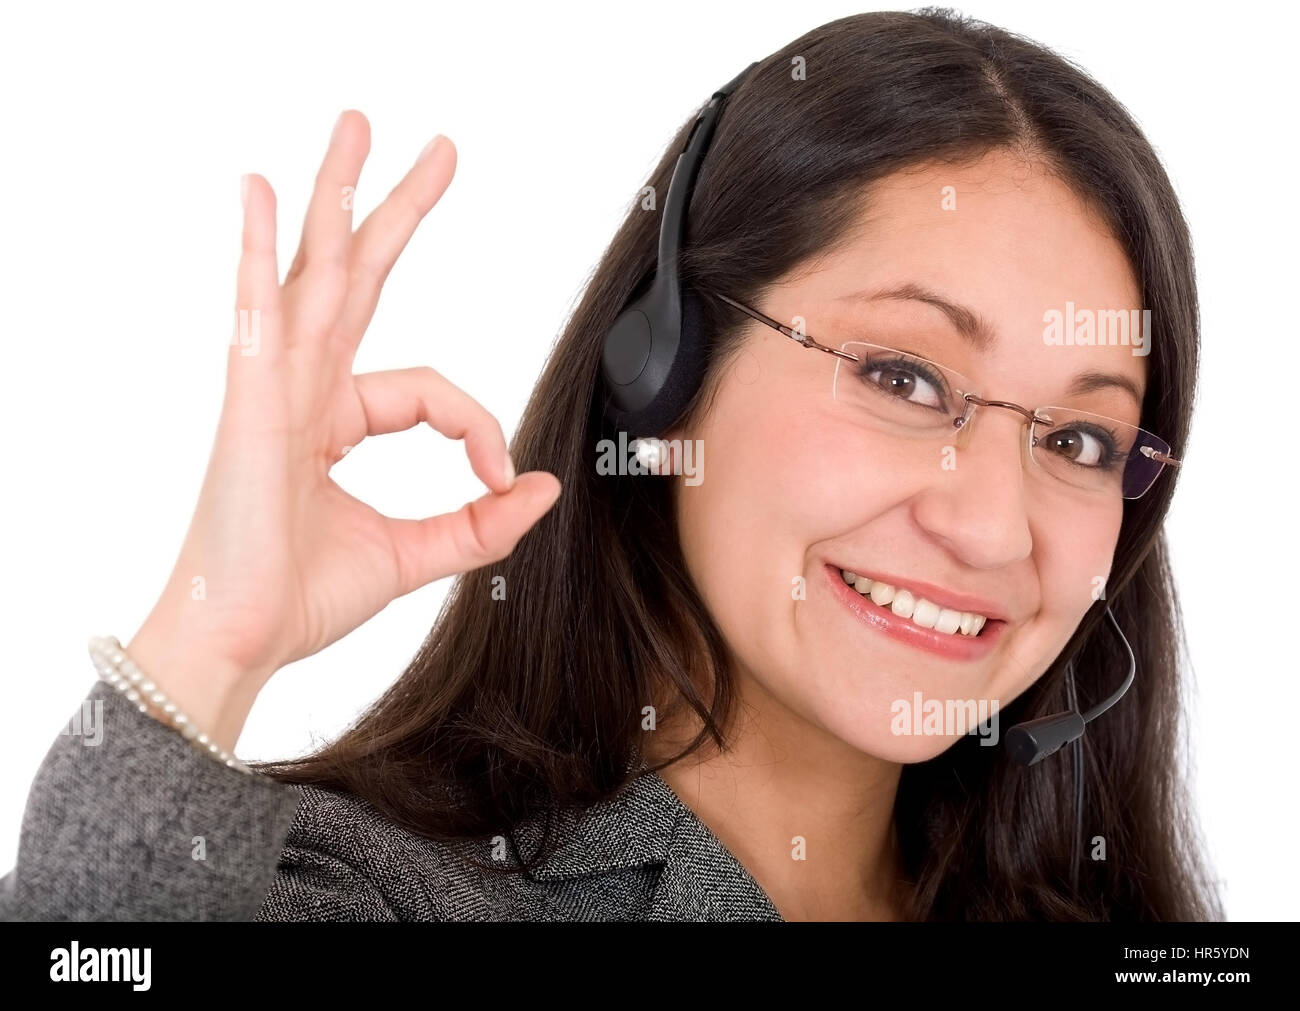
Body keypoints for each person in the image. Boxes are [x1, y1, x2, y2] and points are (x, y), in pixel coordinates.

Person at [1, 9, 1222, 922]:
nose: (992, 524)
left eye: (1076, 440)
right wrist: (208, 645)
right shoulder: (368, 895)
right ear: (668, 361)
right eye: (902, 377)